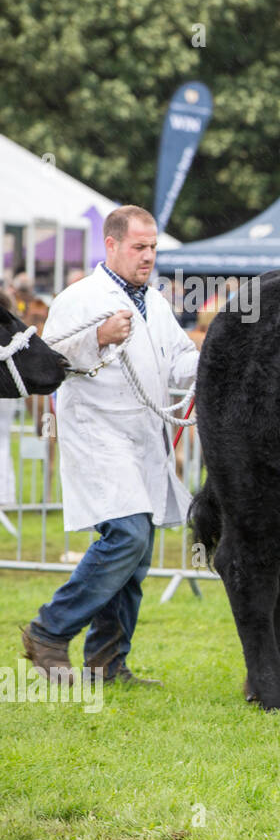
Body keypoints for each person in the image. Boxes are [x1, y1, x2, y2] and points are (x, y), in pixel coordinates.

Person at [19, 205, 199, 687]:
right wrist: (98, 336)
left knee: (136, 556)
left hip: (142, 438)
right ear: (112, 245)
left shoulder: (155, 302)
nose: (148, 256)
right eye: (140, 247)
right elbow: (48, 360)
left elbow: (180, 358)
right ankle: (49, 631)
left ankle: (107, 664)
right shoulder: (80, 297)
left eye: (153, 247)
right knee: (128, 537)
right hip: (97, 435)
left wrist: (213, 364)